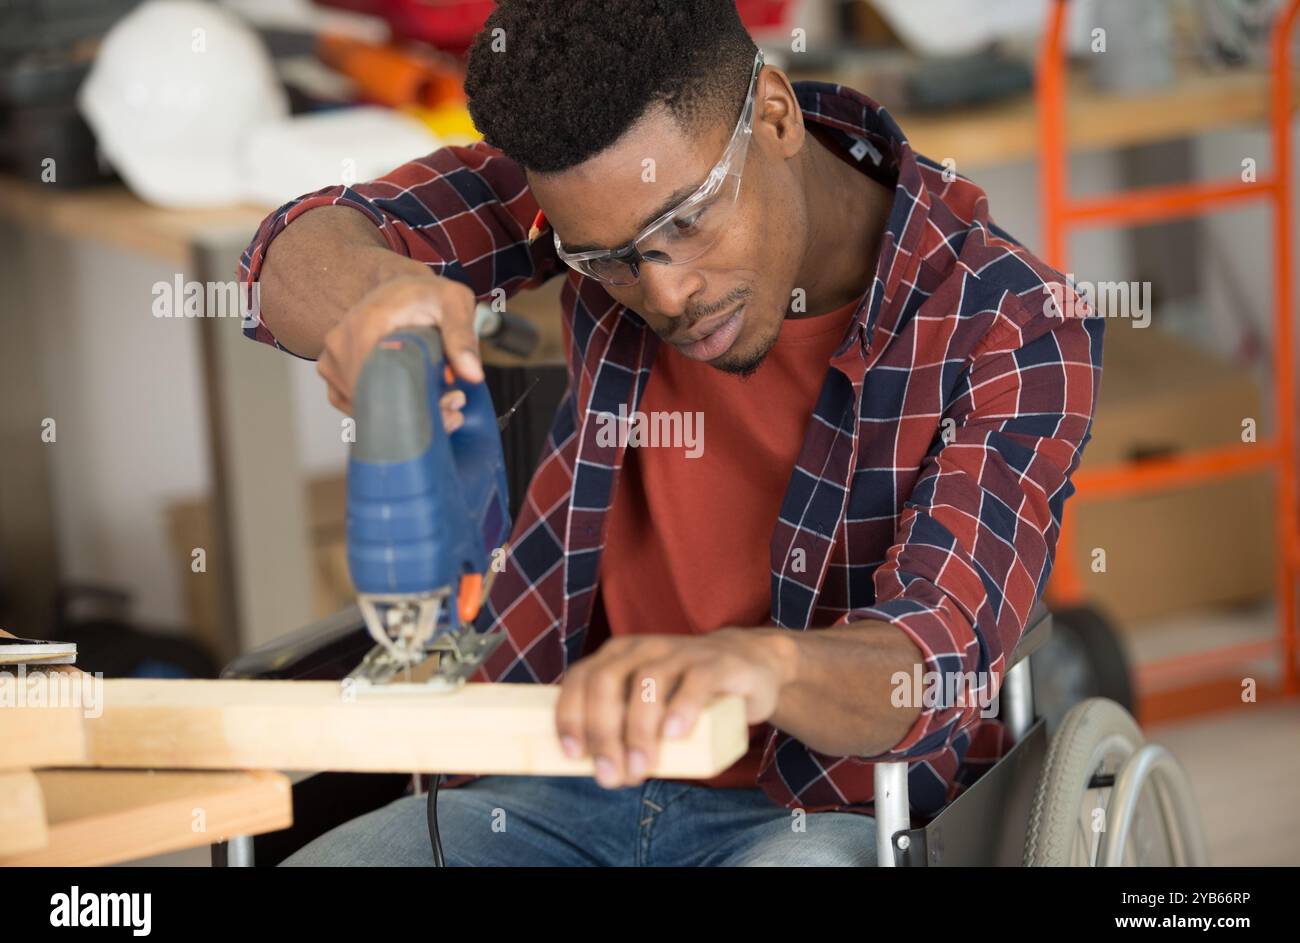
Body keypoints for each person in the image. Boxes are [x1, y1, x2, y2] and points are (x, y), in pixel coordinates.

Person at [238, 0, 1103, 866]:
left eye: (684, 224)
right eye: (609, 261)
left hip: (820, 812)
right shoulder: (592, 190)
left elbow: (936, 652)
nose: (665, 295)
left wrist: (765, 666)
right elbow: (287, 251)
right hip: (553, 774)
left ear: (774, 115)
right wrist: (377, 300)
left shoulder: (1013, 323)